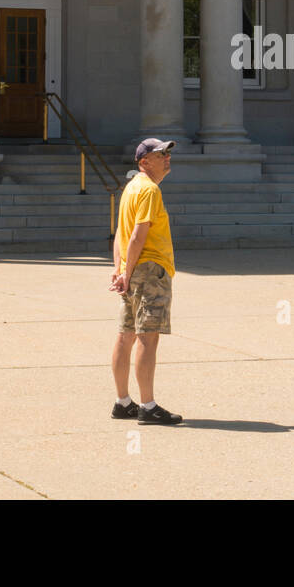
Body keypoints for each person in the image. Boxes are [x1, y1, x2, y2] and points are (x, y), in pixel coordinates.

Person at [108, 138, 182, 425]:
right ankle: (148, 407)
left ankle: (122, 401)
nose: (167, 158)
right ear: (143, 162)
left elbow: (119, 234)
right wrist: (125, 272)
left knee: (126, 335)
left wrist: (120, 270)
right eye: (160, 154)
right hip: (150, 271)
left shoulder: (131, 188)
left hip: (132, 269)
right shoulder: (149, 190)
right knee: (147, 338)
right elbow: (137, 234)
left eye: (167, 153)